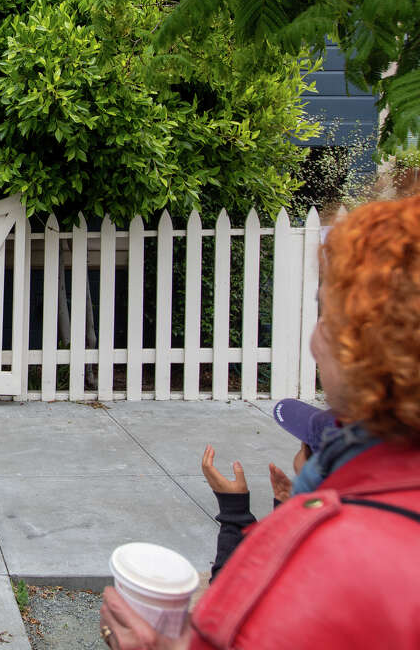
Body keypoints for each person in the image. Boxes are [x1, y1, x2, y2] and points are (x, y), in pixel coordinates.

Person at [99, 195, 420, 649]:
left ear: (367, 345)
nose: (313, 341)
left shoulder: (343, 555)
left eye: (326, 316)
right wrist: (252, 513)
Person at [199, 398, 337, 576]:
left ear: (314, 466)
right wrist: (287, 515)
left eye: (303, 445)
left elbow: (230, 587)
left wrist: (233, 511)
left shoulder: (318, 545)